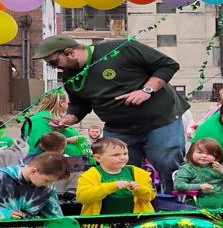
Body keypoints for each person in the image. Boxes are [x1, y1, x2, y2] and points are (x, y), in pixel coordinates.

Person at [38, 34, 190, 193]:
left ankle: (177, 204)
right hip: (120, 128)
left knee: (166, 162)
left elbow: (168, 65)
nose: (55, 68)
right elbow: (79, 104)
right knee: (117, 169)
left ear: (70, 52)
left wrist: (146, 90)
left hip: (161, 120)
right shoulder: (71, 76)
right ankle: (128, 209)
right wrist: (67, 120)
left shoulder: (120, 49)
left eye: (54, 63)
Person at [75, 137, 155, 217]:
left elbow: (150, 196)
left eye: (125, 153)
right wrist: (112, 186)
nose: (123, 157)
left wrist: (139, 189)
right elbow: (82, 197)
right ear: (98, 158)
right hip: (100, 224)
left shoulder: (138, 173)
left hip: (135, 222)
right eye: (116, 155)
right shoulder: (89, 175)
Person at [18, 92, 88, 157]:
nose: (69, 106)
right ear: (61, 103)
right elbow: (37, 146)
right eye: (68, 103)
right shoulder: (41, 119)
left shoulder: (56, 119)